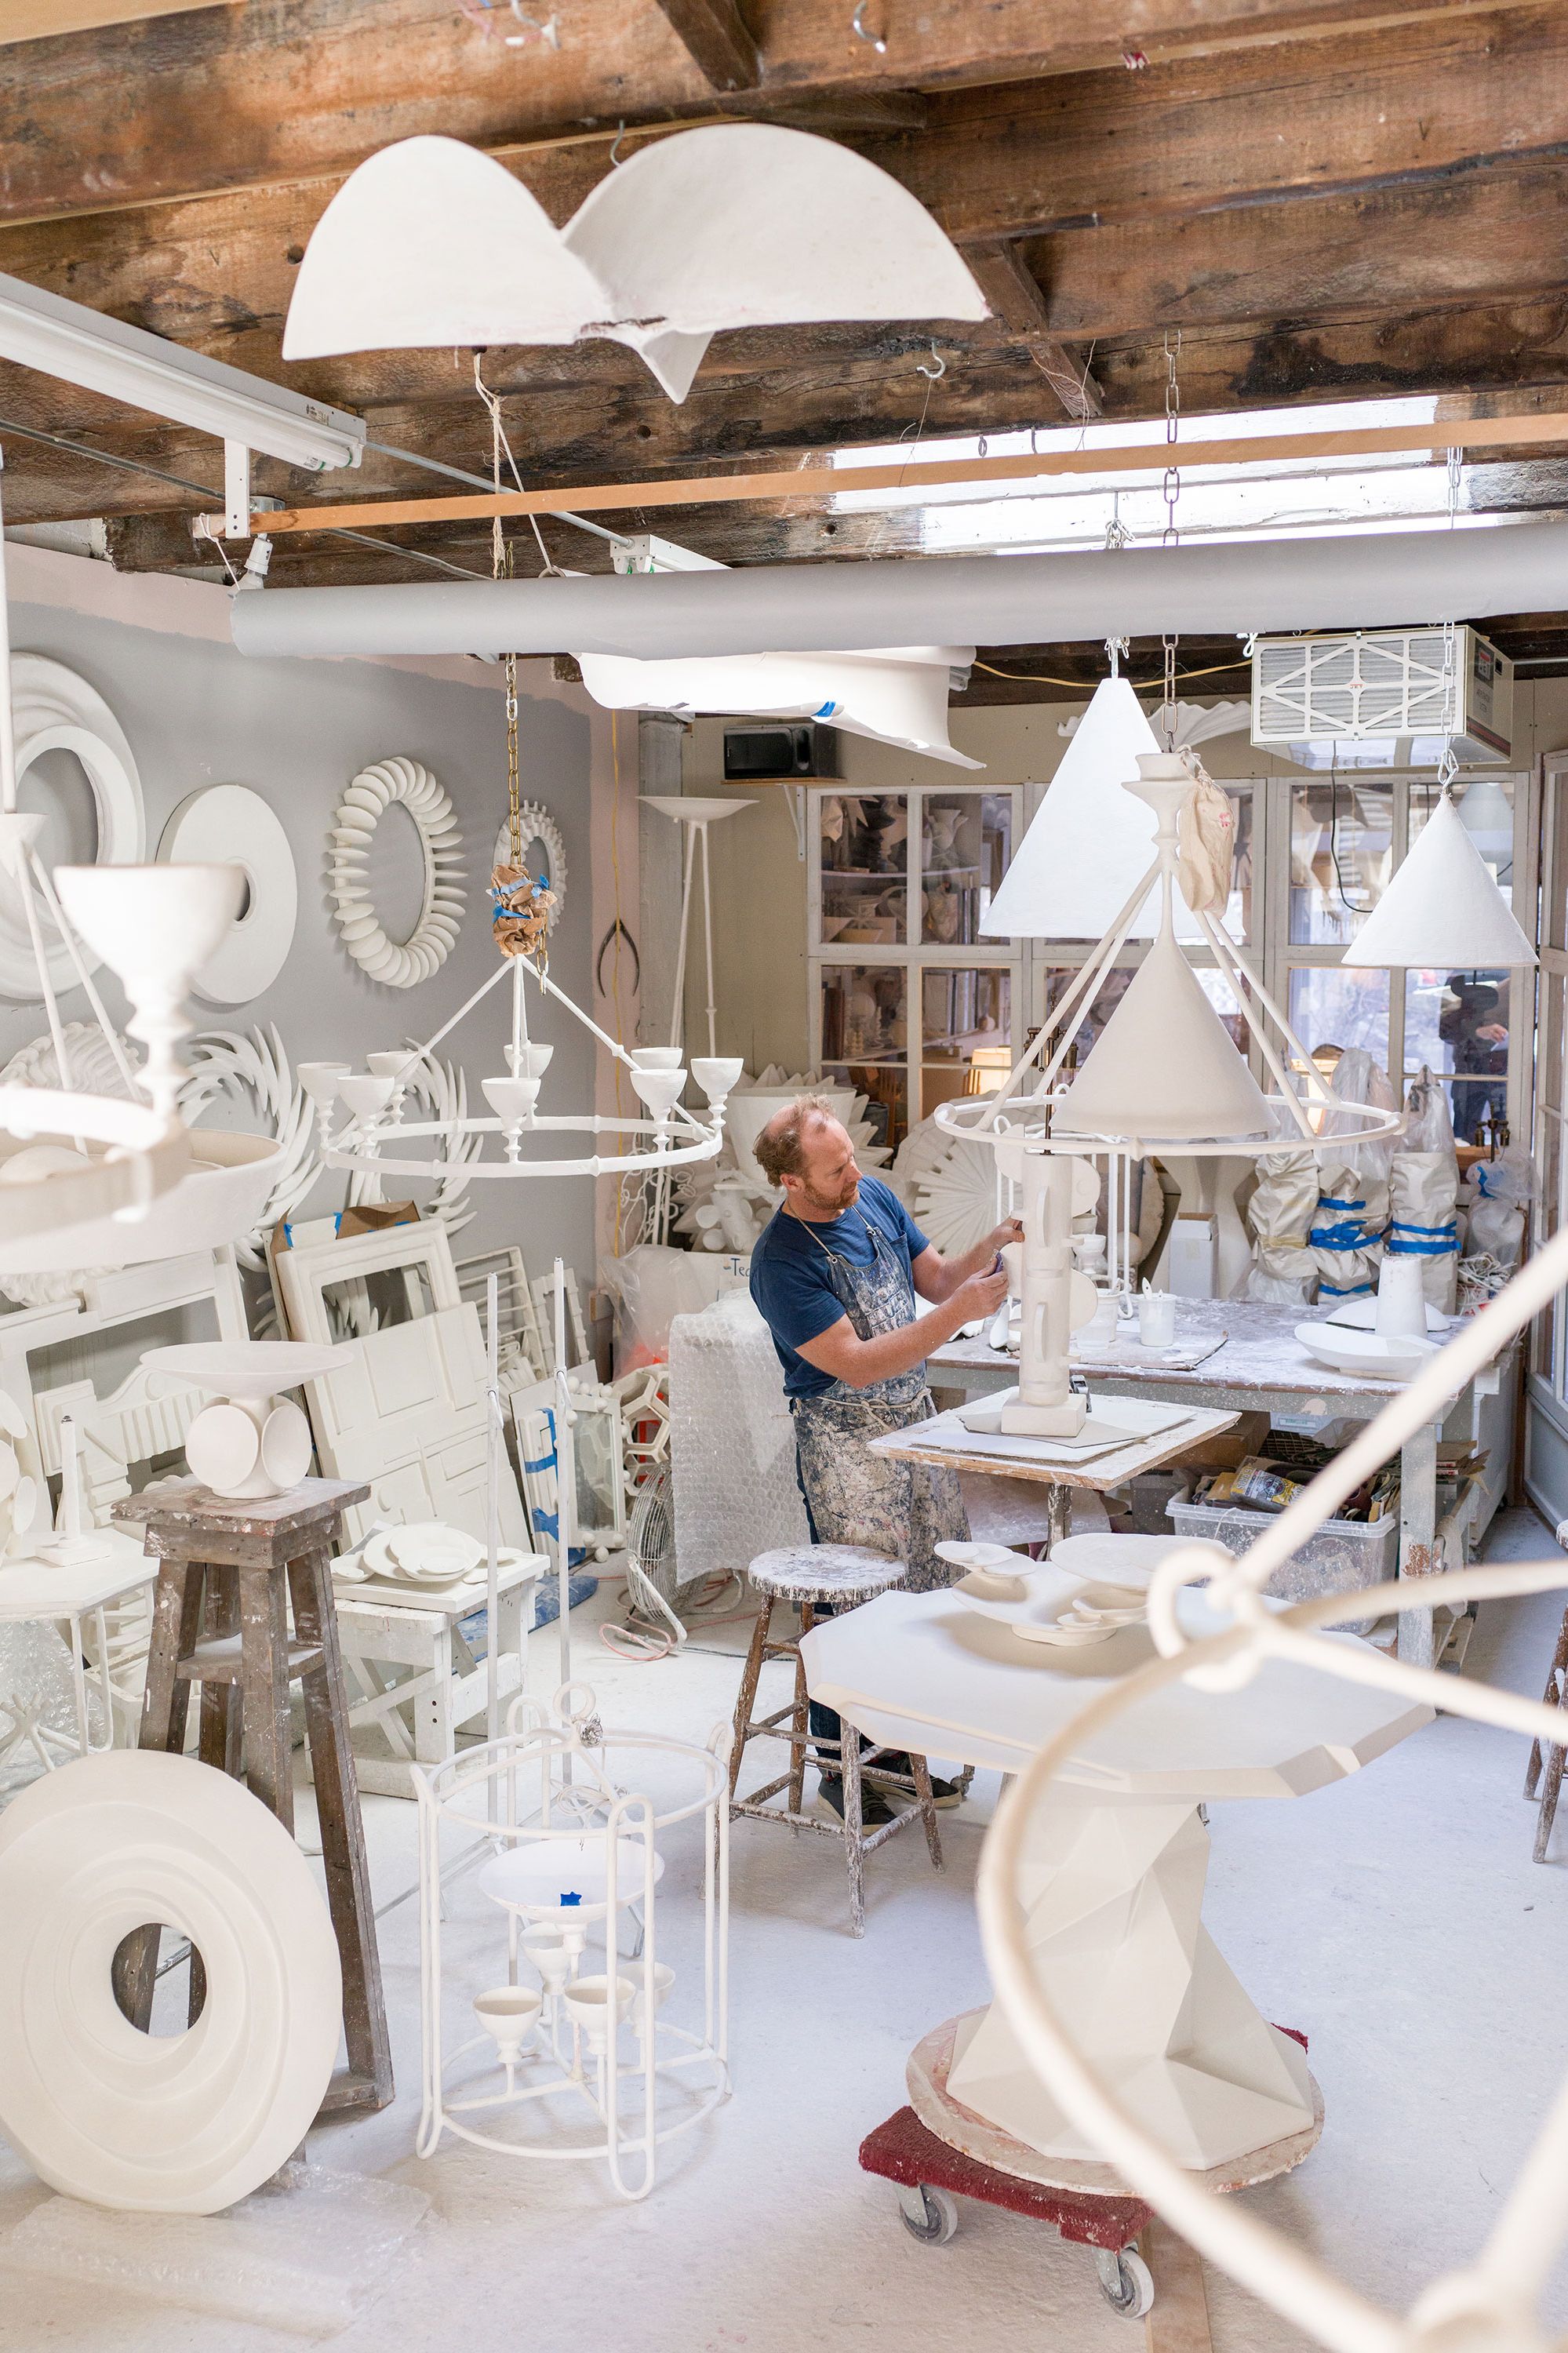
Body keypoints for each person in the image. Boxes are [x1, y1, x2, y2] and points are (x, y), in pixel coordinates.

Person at [749, 1096, 1017, 1824]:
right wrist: (960, 1314)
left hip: (914, 1422)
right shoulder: (781, 1263)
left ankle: (903, 1753)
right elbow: (858, 1365)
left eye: (850, 1157)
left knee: (929, 1588)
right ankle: (846, 1771)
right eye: (836, 1168)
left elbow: (934, 1279)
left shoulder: (873, 1198)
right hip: (845, 1442)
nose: (855, 1173)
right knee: (859, 1609)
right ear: (791, 1182)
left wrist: (985, 1252)